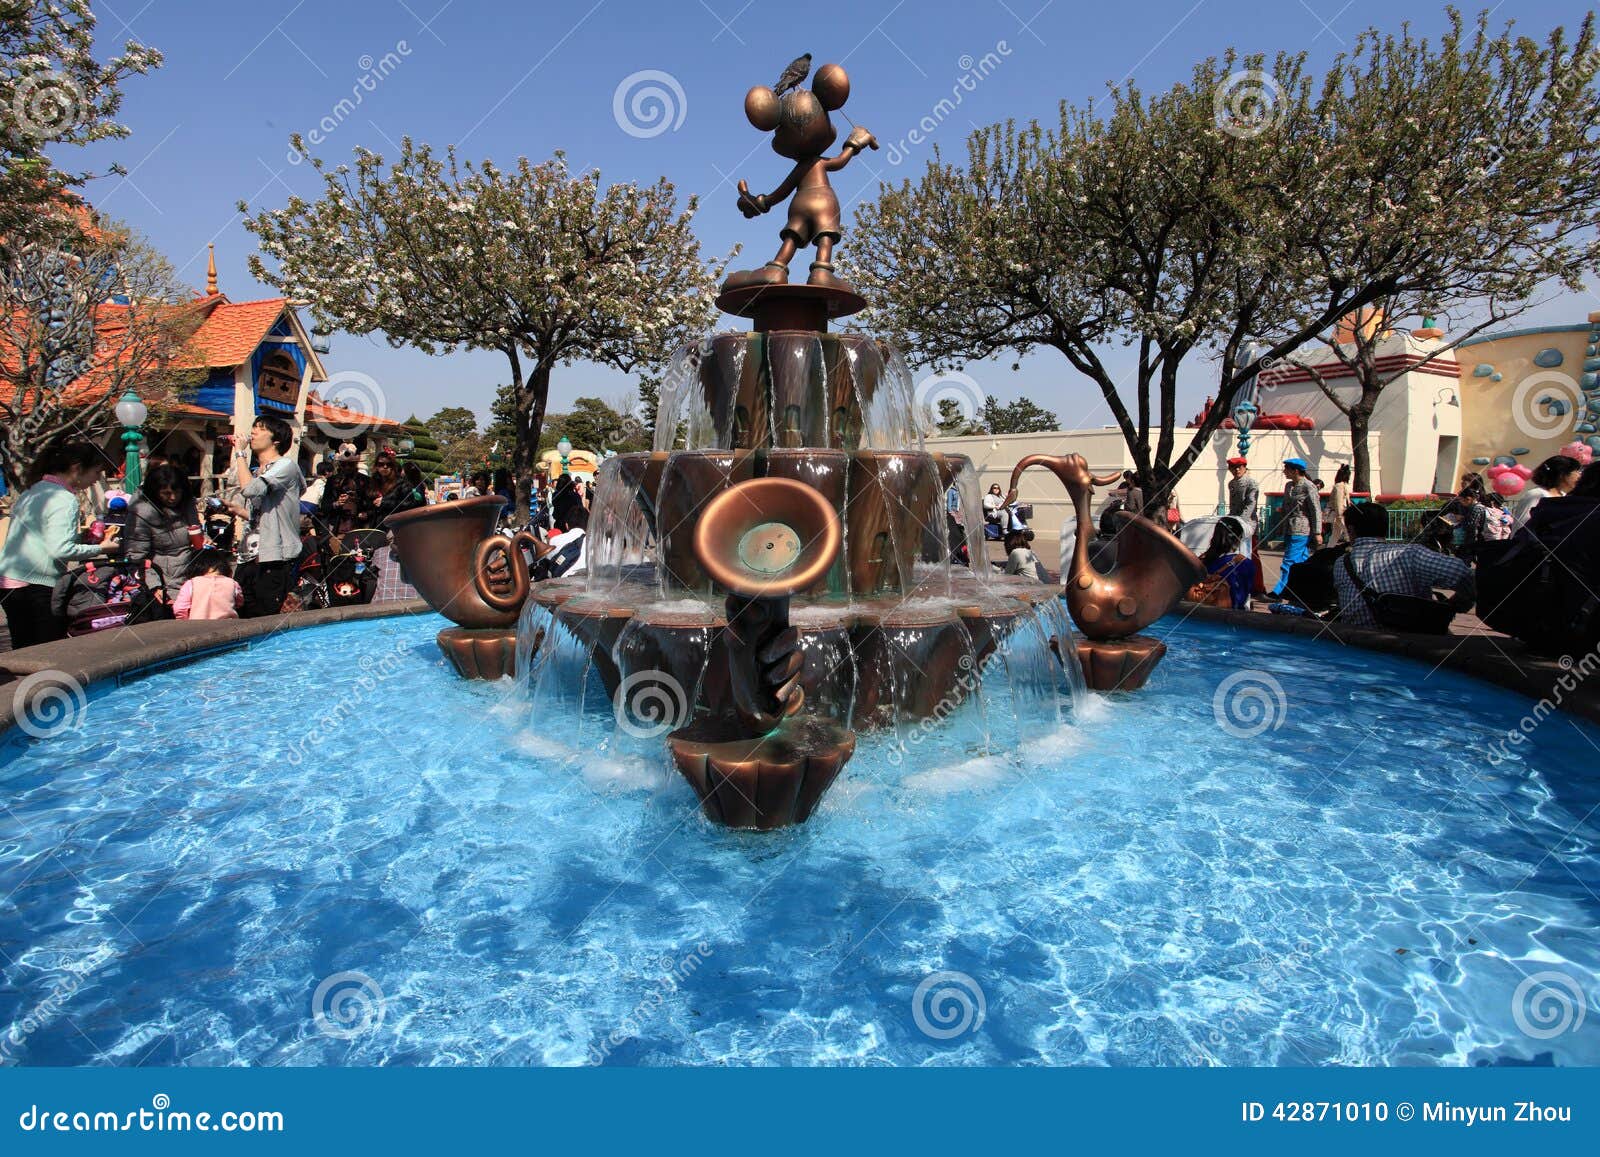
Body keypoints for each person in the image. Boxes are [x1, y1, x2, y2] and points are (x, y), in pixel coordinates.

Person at [0, 443, 120, 648]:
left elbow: (41, 536)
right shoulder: (64, 499)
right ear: (77, 468)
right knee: (49, 651)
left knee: (23, 650)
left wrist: (83, 538)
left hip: (10, 581)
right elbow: (61, 549)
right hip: (36, 586)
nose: (96, 480)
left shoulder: (34, 490)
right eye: (96, 472)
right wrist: (103, 548)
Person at [1333, 501, 1473, 630]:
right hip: (1412, 642)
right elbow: (1464, 575)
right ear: (1386, 527)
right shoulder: (1410, 554)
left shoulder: (1340, 563)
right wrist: (1457, 604)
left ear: (1350, 529)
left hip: (1358, 643)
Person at [226, 414, 305, 617]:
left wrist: (240, 453)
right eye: (254, 427)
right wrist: (238, 511)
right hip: (248, 555)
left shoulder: (285, 466)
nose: (253, 432)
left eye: (260, 429)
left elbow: (250, 490)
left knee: (267, 620)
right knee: (242, 617)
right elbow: (260, 516)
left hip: (274, 557)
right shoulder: (260, 471)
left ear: (276, 440)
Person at [122, 463, 201, 599]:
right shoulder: (141, 514)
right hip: (163, 582)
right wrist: (154, 586)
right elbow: (136, 558)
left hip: (192, 575)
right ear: (154, 492)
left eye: (177, 492)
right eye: (166, 493)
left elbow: (196, 533)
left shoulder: (188, 504)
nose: (173, 498)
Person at [1268, 457, 1321, 600]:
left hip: (1301, 529)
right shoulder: (1289, 486)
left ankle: (1279, 591)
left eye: (1287, 469)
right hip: (1289, 528)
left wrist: (1317, 532)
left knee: (1289, 561)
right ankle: (1304, 590)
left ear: (1295, 470)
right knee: (1302, 562)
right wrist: (1279, 527)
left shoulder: (1309, 487)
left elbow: (1316, 510)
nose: (1284, 472)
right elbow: (1285, 509)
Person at [1508, 454, 1582, 532]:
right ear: (1562, 475)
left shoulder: (1564, 496)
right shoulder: (1536, 495)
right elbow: (1521, 527)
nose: (1580, 476)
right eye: (1577, 471)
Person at [1191, 516, 1253, 608]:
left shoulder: (1203, 560)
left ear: (1215, 536)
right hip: (1234, 614)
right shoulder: (1246, 563)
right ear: (1239, 538)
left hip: (1201, 612)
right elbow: (1249, 591)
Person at [173, 552, 243, 620]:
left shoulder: (191, 584)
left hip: (198, 626)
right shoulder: (232, 583)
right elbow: (239, 602)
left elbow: (180, 608)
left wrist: (183, 620)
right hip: (228, 625)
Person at [317, 443, 365, 536]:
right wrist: (337, 503)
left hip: (359, 527)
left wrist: (364, 511)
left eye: (350, 464)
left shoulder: (365, 481)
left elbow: (372, 505)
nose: (347, 467)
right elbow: (324, 506)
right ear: (339, 464)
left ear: (356, 464)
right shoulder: (332, 481)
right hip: (337, 526)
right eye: (344, 464)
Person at [1455, 486, 1489, 562]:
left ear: (1468, 499)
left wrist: (1461, 519)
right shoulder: (1474, 507)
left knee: (1466, 559)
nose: (1460, 503)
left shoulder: (1477, 508)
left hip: (1473, 540)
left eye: (1461, 500)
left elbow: (1471, 525)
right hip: (1472, 539)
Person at [1326, 464, 1353, 547]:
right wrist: (1340, 514)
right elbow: (1338, 501)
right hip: (1339, 514)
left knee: (1336, 534)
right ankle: (1352, 548)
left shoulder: (1341, 485)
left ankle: (1329, 550)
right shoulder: (1340, 486)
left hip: (1339, 513)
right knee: (1348, 532)